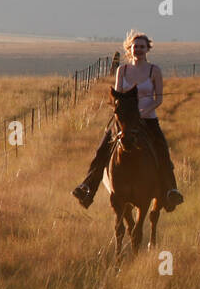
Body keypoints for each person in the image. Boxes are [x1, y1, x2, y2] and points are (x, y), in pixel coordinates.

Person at [73, 29, 184, 211]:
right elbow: (117, 96)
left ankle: (170, 191)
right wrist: (124, 112)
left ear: (147, 49)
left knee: (163, 152)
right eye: (135, 47)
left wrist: (142, 111)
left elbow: (158, 99)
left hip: (148, 120)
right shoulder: (122, 70)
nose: (138, 50)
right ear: (129, 49)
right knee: (101, 152)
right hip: (124, 121)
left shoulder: (154, 71)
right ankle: (86, 188)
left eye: (142, 47)